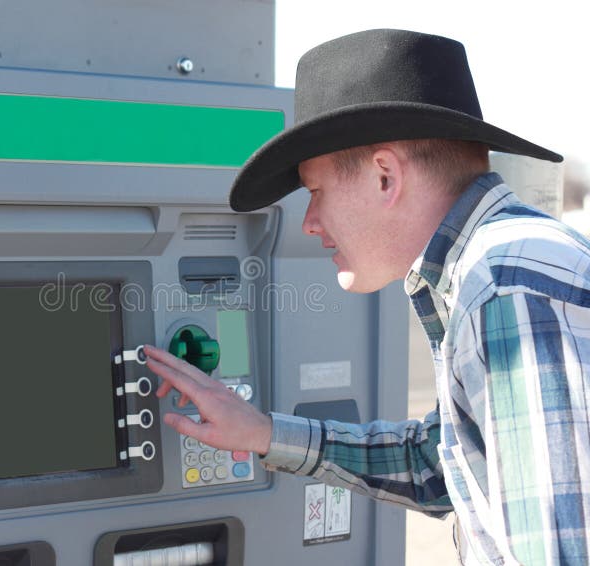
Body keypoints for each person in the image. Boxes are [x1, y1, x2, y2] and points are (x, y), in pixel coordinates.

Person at [144, 29, 590, 565]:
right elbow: (438, 466)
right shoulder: (500, 268)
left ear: (384, 177)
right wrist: (260, 432)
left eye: (316, 192)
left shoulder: (504, 284)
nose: (307, 224)